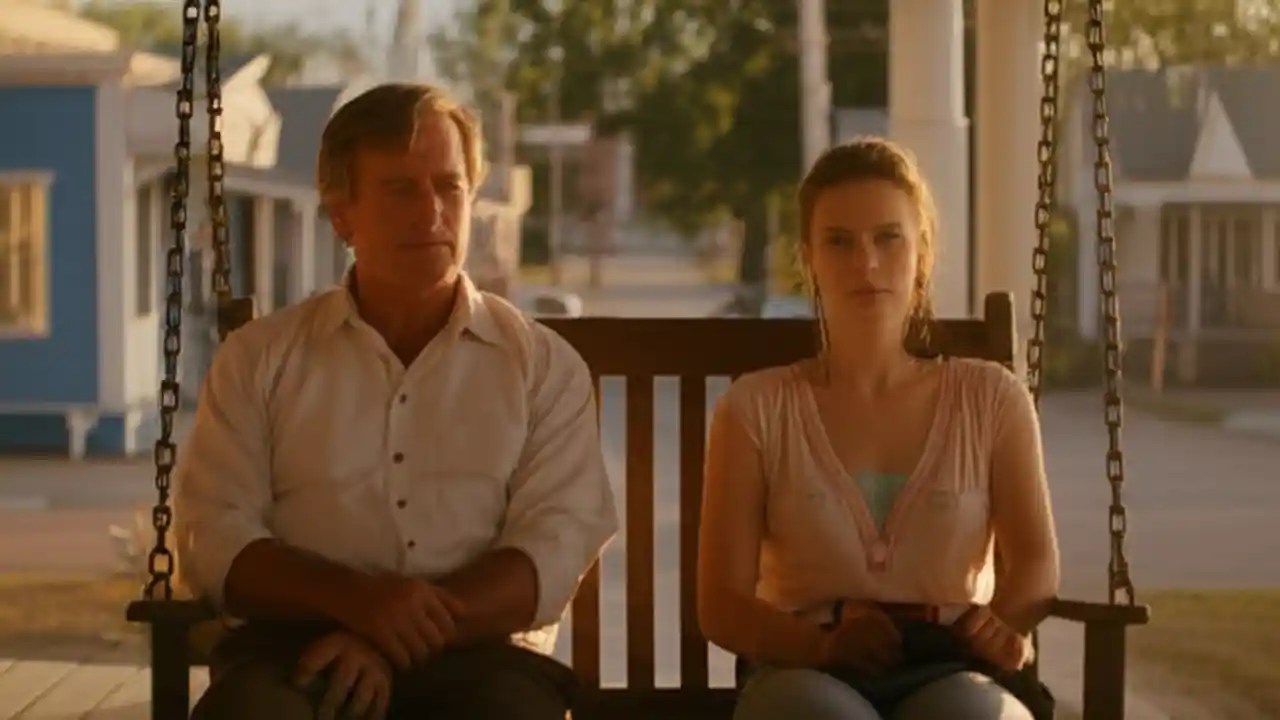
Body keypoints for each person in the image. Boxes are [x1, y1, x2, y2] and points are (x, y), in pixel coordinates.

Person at [175, 82, 619, 720]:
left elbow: (556, 544)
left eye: (450, 187)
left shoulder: (540, 367)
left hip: (480, 651)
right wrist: (354, 600)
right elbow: (216, 537)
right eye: (401, 189)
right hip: (296, 650)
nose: (432, 213)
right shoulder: (261, 359)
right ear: (341, 214)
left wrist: (386, 630)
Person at [696, 138, 1060, 720]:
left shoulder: (990, 399)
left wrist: (1003, 624)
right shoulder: (756, 409)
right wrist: (819, 646)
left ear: (922, 252)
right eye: (840, 242)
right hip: (805, 668)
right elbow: (721, 604)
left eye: (888, 238)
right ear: (809, 258)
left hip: (953, 662)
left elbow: (1036, 562)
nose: (865, 264)